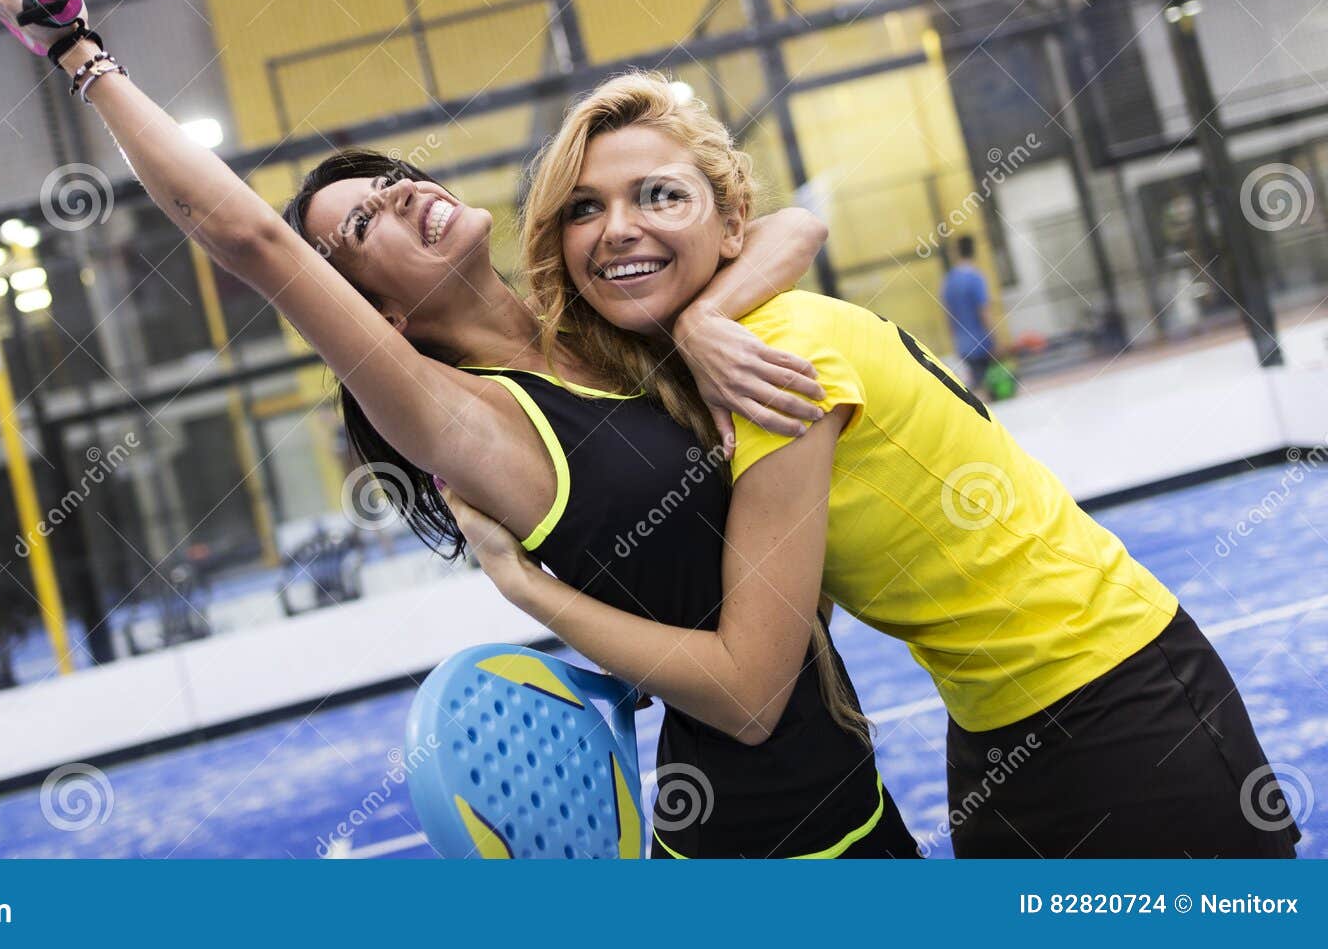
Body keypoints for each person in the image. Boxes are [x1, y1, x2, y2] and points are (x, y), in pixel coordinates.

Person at [0, 0, 918, 858]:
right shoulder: (467, 419)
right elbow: (248, 239)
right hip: (759, 846)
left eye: (392, 180)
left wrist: (706, 319)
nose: (398, 194)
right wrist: (78, 52)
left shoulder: (601, 311)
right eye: (363, 221)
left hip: (856, 800)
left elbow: (788, 225)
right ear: (379, 317)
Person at [443, 70, 1299, 858]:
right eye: (584, 208)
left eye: (658, 194)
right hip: (1002, 721)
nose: (619, 226)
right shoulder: (721, 351)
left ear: (731, 223)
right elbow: (794, 228)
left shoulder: (771, 363)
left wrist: (526, 588)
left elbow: (747, 690)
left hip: (1118, 707)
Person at [940, 235, 994, 395]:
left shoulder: (949, 280)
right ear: (974, 250)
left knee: (974, 386)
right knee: (987, 386)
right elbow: (983, 311)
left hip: (962, 344)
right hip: (981, 341)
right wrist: (994, 337)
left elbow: (947, 314)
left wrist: (954, 339)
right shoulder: (975, 278)